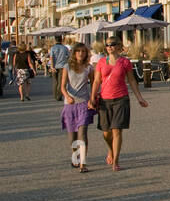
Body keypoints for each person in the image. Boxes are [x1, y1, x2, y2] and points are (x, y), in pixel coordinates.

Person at [88, 37, 148, 172]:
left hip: (121, 98)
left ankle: (116, 160)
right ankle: (110, 150)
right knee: (106, 133)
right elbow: (97, 81)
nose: (109, 47)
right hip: (104, 99)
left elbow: (132, 80)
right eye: (107, 45)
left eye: (112, 44)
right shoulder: (102, 62)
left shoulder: (125, 62)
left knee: (117, 130)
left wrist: (139, 98)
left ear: (118, 46)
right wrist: (92, 97)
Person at [61, 42, 95, 172]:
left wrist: (92, 99)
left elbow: (93, 84)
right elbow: (63, 86)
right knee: (72, 138)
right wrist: (67, 96)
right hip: (70, 104)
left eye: (83, 51)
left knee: (82, 133)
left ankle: (83, 163)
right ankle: (75, 156)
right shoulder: (67, 67)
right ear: (74, 53)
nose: (81, 53)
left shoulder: (89, 68)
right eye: (78, 51)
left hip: (83, 103)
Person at [49, 36, 70, 101]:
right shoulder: (65, 48)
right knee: (61, 82)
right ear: (62, 40)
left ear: (55, 40)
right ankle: (59, 96)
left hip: (55, 66)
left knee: (55, 81)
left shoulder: (52, 48)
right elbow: (69, 56)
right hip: (62, 66)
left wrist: (52, 66)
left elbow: (51, 58)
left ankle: (55, 95)